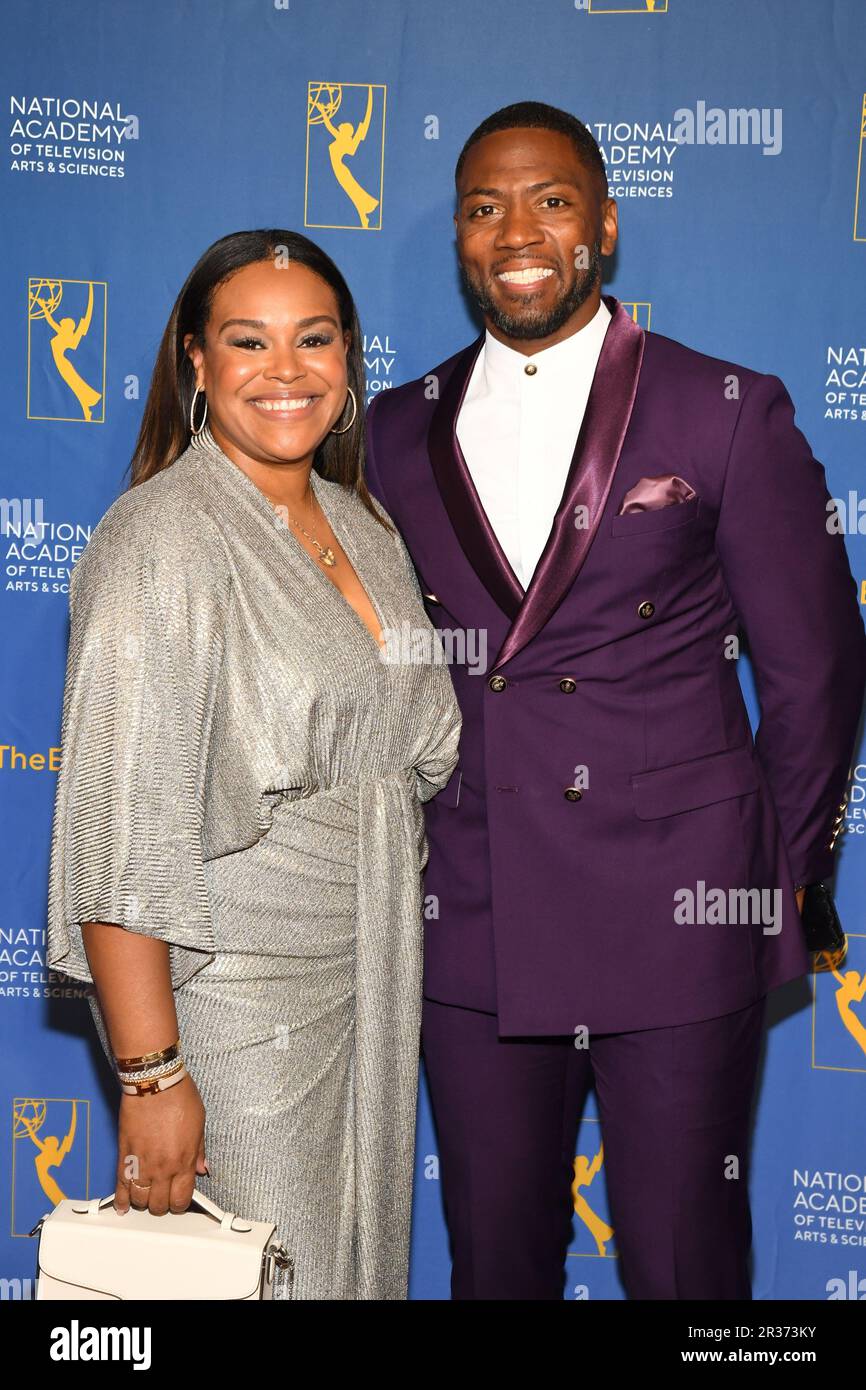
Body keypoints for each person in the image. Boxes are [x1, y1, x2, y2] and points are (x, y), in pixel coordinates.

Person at [363, 101, 866, 1300]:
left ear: (604, 224)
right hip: (476, 918)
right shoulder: (391, 430)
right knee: (491, 1260)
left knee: (688, 1265)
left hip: (678, 919)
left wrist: (767, 879)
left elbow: (814, 670)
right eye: (484, 207)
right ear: (458, 240)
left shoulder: (724, 408)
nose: (516, 230)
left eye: (548, 200)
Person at [46, 228, 462, 1300]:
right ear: (195, 362)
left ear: (348, 360)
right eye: (248, 341)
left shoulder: (361, 524)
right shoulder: (161, 541)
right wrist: (151, 1076)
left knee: (346, 1273)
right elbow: (119, 827)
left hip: (368, 968)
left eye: (313, 339)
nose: (286, 371)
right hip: (235, 998)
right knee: (271, 1280)